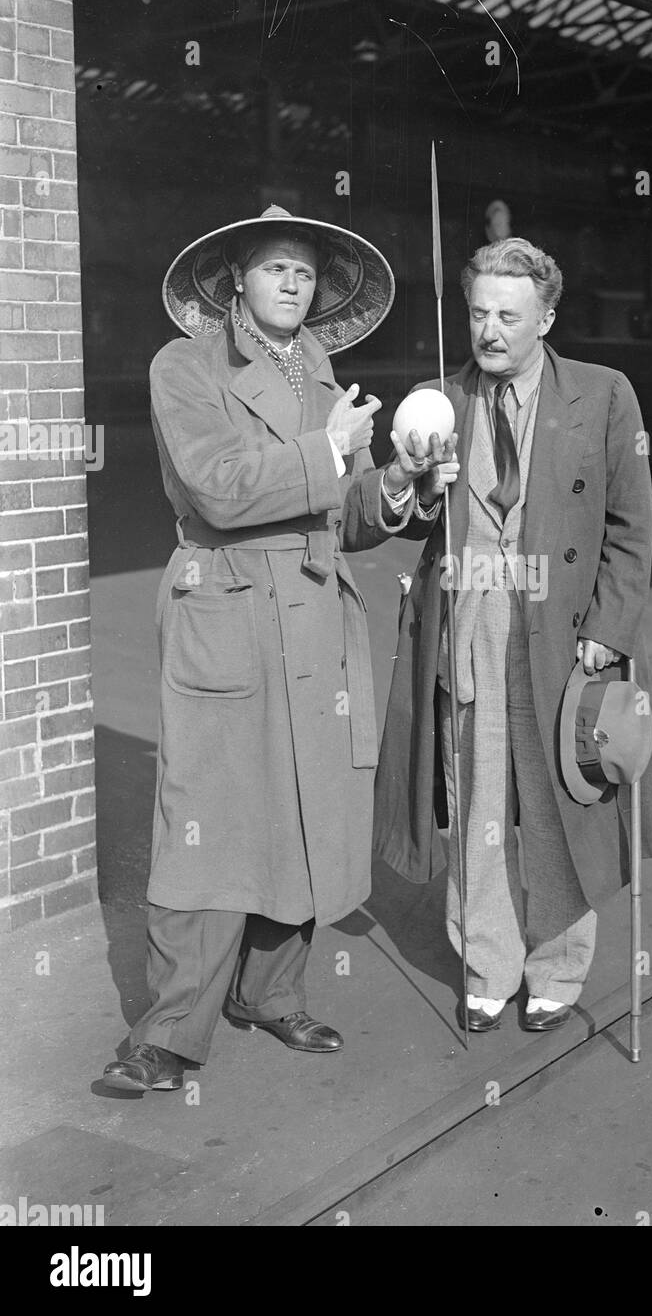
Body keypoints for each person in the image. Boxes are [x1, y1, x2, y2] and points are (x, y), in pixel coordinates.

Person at [102, 206, 454, 1092]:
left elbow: (340, 518)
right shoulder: (183, 366)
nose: (295, 283)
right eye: (276, 268)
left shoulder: (324, 379)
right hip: (225, 604)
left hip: (312, 612)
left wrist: (401, 484)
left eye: (306, 272)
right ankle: (170, 1030)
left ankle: (269, 993)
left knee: (306, 806)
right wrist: (325, 448)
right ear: (235, 282)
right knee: (210, 818)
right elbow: (217, 492)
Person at [374, 237, 652, 1033]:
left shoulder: (605, 396)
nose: (489, 331)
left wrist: (609, 629)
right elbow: (403, 517)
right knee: (475, 800)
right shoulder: (440, 402)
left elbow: (630, 528)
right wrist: (414, 484)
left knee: (557, 805)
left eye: (509, 315)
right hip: (470, 628)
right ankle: (487, 962)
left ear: (546, 316)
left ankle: (555, 966)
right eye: (478, 312)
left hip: (565, 634)